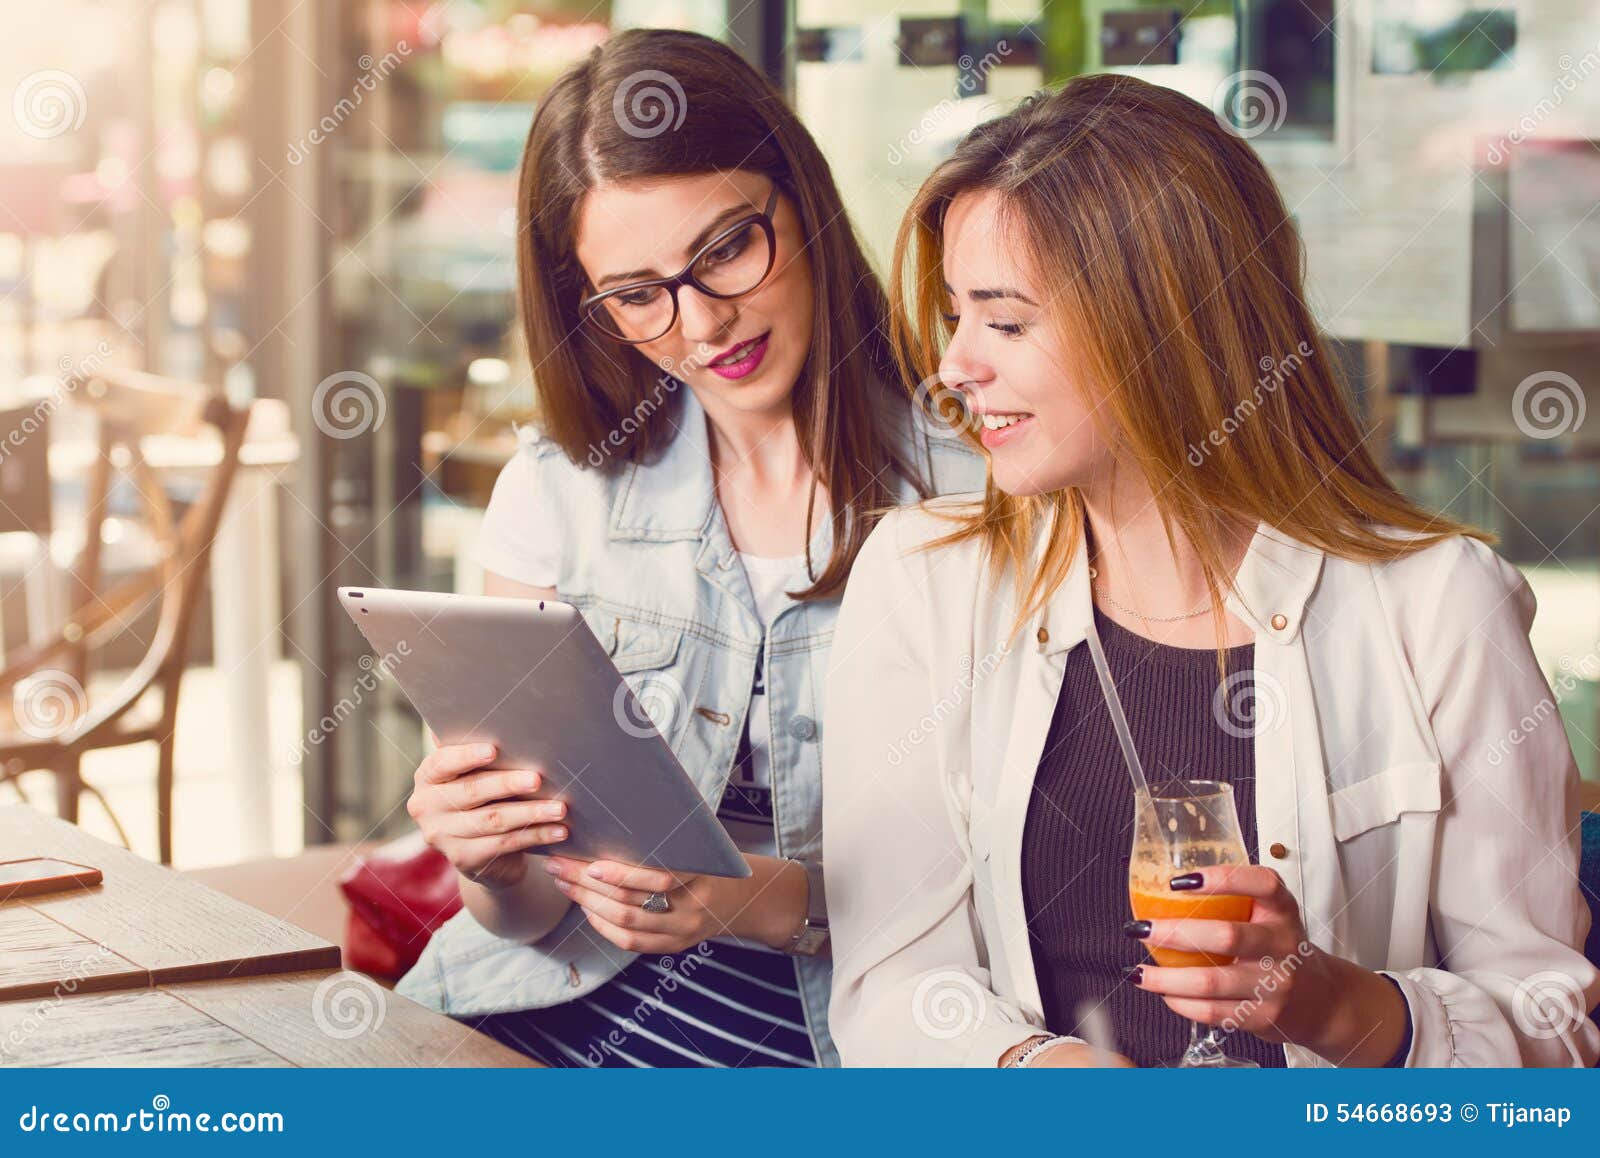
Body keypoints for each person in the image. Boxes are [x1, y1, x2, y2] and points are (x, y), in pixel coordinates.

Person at [822, 73, 1600, 1068]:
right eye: (955, 316)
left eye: (1006, 322)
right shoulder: (923, 583)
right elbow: (892, 984)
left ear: (1162, 328)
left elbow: (1551, 1035)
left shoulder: (1437, 603)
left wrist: (1340, 1009)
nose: (956, 365)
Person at [394, 28, 982, 1068]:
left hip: (825, 1040)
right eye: (635, 295)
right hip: (521, 1023)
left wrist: (761, 901)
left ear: (801, 199)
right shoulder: (559, 490)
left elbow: (1027, 895)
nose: (703, 321)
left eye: (724, 250)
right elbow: (528, 923)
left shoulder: (974, 485)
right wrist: (485, 862)